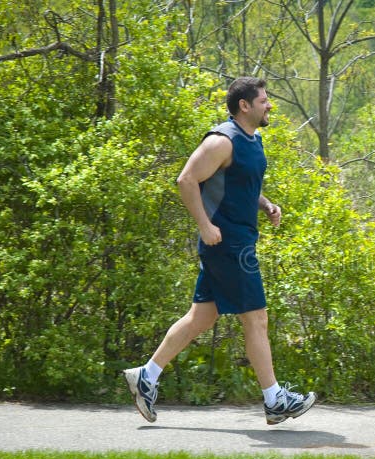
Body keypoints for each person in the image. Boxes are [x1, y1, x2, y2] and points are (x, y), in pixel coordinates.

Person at [124, 77, 315, 425]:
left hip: (235, 241)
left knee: (203, 316)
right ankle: (274, 399)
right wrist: (203, 225)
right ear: (244, 106)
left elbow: (235, 187)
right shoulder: (222, 141)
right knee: (256, 318)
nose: (269, 105)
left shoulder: (250, 140)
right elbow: (186, 180)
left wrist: (266, 204)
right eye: (263, 101)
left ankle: (146, 376)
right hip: (228, 245)